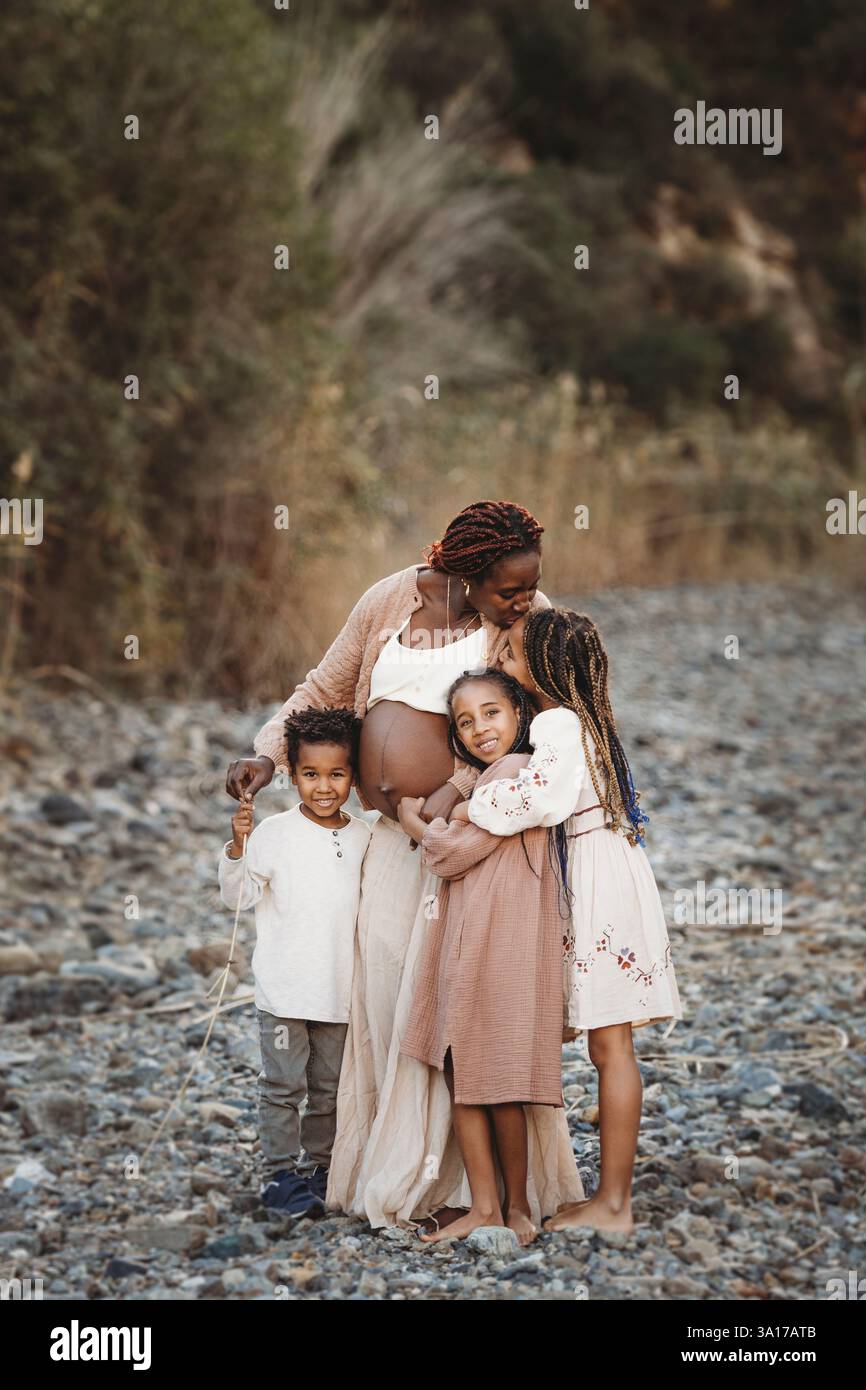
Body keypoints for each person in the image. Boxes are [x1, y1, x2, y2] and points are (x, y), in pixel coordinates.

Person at [225, 501, 580, 1228]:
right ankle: (391, 1166)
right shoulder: (387, 599)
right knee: (389, 1000)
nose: (525, 600)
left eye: (527, 588)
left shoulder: (527, 618)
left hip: (473, 845)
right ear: (465, 571)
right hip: (389, 842)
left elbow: (553, 725)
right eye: (509, 589)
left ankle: (471, 1191)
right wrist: (266, 753)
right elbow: (323, 691)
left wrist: (476, 799)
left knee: (462, 1008)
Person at [465, 608, 683, 1234]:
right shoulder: (587, 719)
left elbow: (539, 801)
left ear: (542, 666)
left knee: (611, 1046)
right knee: (609, 1044)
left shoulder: (560, 722)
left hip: (596, 882)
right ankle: (610, 1197)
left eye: (510, 654)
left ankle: (614, 1203)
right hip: (610, 868)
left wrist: (480, 795)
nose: (498, 662)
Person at [397, 670, 581, 1245]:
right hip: (487, 939)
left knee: (486, 1073)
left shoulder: (514, 775)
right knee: (483, 1072)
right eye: (465, 721)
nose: (479, 728)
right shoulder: (496, 778)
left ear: (520, 714)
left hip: (494, 945)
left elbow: (453, 853)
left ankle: (502, 1207)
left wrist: (412, 821)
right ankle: (501, 1207)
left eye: (491, 713)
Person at [218, 708, 370, 1217]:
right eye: (310, 774)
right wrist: (239, 846)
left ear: (354, 774)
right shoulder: (275, 834)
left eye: (336, 774)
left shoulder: (367, 836)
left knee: (330, 1090)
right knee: (283, 1086)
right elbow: (238, 899)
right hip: (285, 992)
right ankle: (280, 1173)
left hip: (340, 992)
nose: (323, 787)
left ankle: (324, 1167)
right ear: (291, 774)